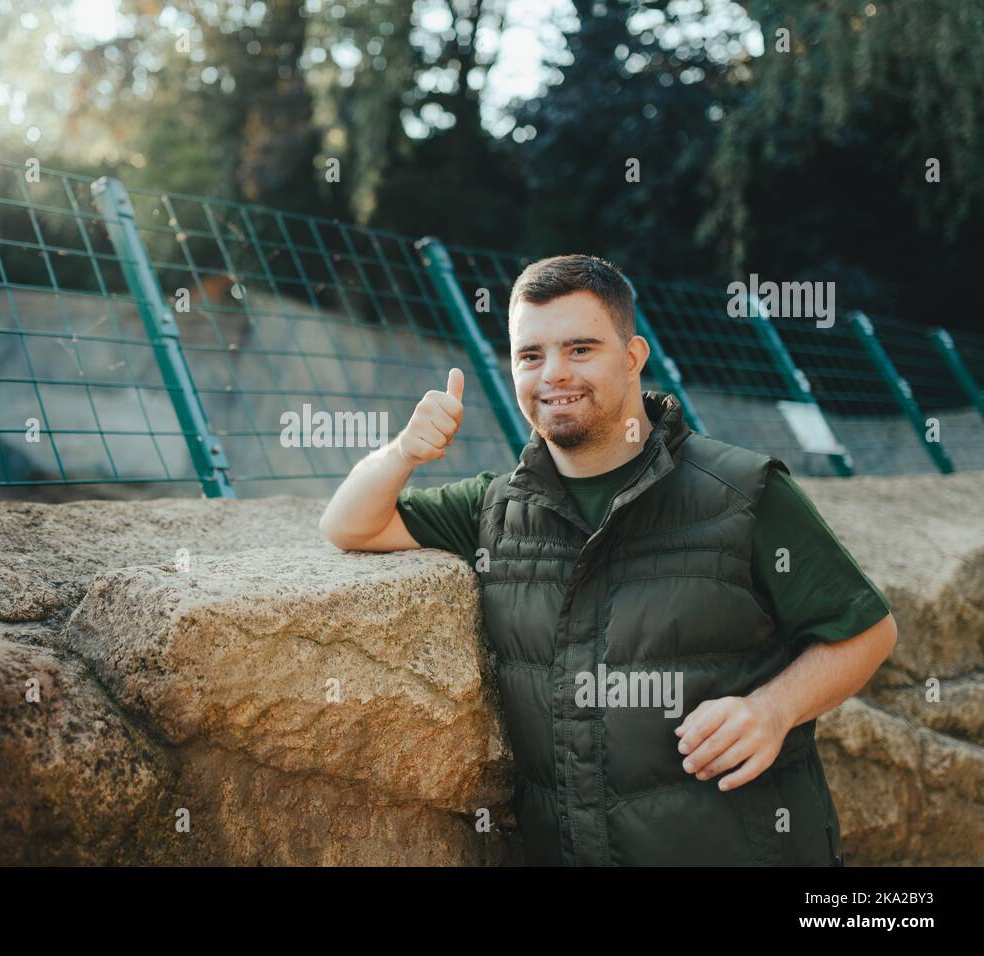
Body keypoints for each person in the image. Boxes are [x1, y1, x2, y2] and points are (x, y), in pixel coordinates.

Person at [318, 254, 896, 866]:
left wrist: (772, 711)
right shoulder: (496, 508)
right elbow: (348, 524)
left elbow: (867, 631)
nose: (553, 375)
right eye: (530, 356)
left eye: (580, 349)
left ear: (633, 356)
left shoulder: (742, 492)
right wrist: (405, 451)